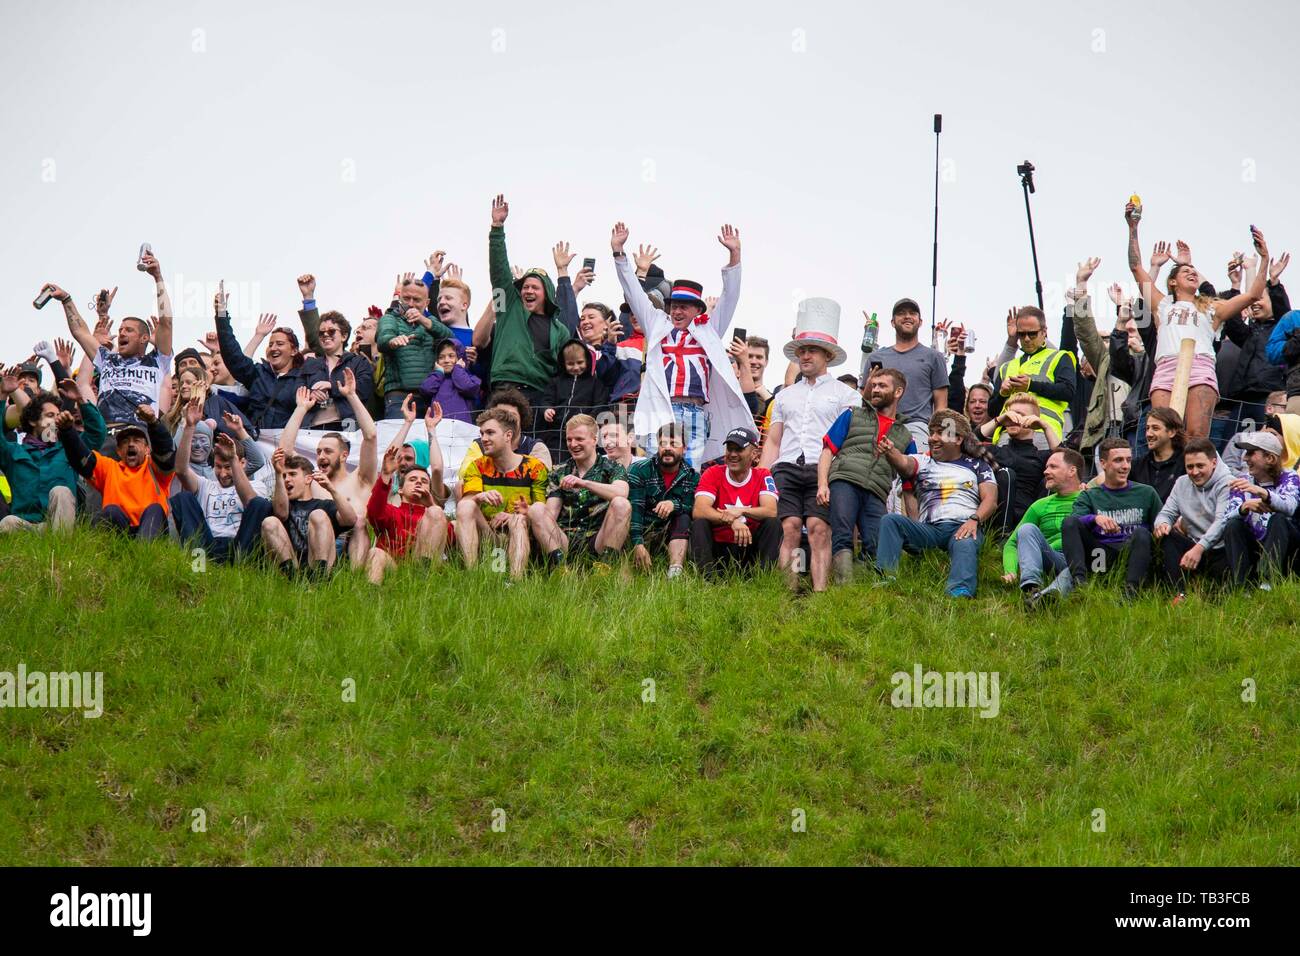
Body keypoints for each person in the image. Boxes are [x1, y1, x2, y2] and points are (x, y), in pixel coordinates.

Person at [613, 220, 753, 469]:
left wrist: (735, 256)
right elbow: (634, 293)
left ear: (697, 309)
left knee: (689, 473)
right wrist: (619, 255)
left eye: (683, 307)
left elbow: (730, 297)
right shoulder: (657, 323)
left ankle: (683, 510)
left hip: (696, 413)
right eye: (674, 306)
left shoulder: (708, 329)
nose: (677, 311)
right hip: (663, 409)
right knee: (659, 468)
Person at [1125, 202, 1270, 437]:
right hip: (1166, 368)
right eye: (1185, 271)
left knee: (1195, 435)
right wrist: (1133, 227)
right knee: (1165, 437)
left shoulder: (1213, 308)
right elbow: (1135, 267)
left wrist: (1264, 258)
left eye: (1194, 270)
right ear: (1172, 282)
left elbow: (1253, 294)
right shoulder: (1162, 304)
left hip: (1199, 366)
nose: (1192, 272)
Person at [758, 299, 861, 591]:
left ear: (827, 355)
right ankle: (788, 592)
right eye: (801, 350)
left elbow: (851, 439)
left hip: (823, 467)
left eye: (811, 350)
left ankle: (820, 592)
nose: (805, 356)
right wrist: (762, 476)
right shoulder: (785, 396)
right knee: (787, 528)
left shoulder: (846, 395)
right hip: (787, 467)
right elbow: (774, 440)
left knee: (818, 529)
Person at [873, 410, 998, 598]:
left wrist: (974, 520)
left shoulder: (978, 465)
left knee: (965, 543)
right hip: (929, 530)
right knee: (891, 521)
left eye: (940, 432)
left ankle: (959, 592)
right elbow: (905, 463)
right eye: (931, 432)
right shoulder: (923, 460)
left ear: (958, 439)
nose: (932, 438)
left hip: (963, 527)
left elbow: (991, 500)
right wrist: (891, 451)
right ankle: (886, 578)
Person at [45, 256, 174, 434]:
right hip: (108, 436)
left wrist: (158, 277)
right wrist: (66, 300)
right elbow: (80, 332)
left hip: (142, 434)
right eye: (121, 329)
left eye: (129, 330)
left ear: (144, 338)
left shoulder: (158, 360)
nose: (121, 333)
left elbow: (166, 322)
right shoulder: (107, 359)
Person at [818, 367, 917, 582]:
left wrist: (916, 523)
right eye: (874, 385)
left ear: (898, 392)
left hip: (877, 491)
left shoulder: (906, 436)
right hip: (844, 479)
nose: (875, 389)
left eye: (882, 386)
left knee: (876, 542)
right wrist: (822, 484)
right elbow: (827, 451)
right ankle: (845, 588)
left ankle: (862, 591)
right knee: (843, 534)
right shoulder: (853, 414)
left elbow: (910, 484)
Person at [1036, 438, 1162, 603]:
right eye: (1118, 460)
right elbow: (1074, 521)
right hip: (1100, 558)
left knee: (1141, 533)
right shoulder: (1090, 495)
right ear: (1103, 464)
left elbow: (1161, 524)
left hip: (1133, 556)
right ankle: (1080, 584)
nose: (1125, 466)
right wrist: (1095, 518)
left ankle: (1131, 593)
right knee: (1069, 522)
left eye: (1128, 460)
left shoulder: (1146, 493)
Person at [472, 196, 571, 404]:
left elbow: (563, 368)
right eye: (525, 287)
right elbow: (499, 269)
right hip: (505, 387)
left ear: (547, 294)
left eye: (535, 287)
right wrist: (497, 228)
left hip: (539, 394)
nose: (528, 290)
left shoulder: (559, 329)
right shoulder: (509, 308)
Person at [277, 368, 379, 568]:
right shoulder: (313, 480)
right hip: (320, 545)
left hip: (356, 546)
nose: (321, 456)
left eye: (327, 452)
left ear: (344, 456)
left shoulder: (361, 478)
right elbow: (285, 451)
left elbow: (371, 436)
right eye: (318, 452)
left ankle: (354, 581)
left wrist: (351, 396)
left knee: (358, 522)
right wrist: (301, 409)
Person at [0, 370, 106, 532]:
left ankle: (60, 552)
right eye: (50, 415)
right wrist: (2, 395)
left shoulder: (69, 449)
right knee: (8, 522)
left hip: (62, 526)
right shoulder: (13, 452)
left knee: (61, 491)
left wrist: (80, 400)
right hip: (29, 527)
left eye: (58, 415)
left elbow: (97, 434)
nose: (56, 420)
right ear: (33, 421)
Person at [171, 396, 274, 563]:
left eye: (228, 467)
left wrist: (232, 458)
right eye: (219, 467)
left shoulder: (256, 485)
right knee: (183, 498)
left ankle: (242, 566)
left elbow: (249, 500)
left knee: (259, 504)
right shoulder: (206, 485)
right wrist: (190, 426)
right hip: (206, 544)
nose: (223, 473)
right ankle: (198, 566)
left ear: (242, 463)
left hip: (239, 545)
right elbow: (181, 471)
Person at [57, 403, 176, 539]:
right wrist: (67, 432)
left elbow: (165, 452)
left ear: (147, 449)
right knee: (111, 511)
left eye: (137, 440)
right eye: (125, 442)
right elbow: (82, 459)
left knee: (155, 509)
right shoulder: (109, 468)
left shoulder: (156, 469)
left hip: (151, 532)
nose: (131, 444)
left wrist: (153, 423)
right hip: (120, 532)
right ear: (118, 451)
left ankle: (143, 554)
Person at [455, 407, 547, 579]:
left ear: (508, 435)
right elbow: (465, 505)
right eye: (482, 433)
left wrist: (514, 515)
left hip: (523, 534)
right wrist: (478, 496)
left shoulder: (534, 467)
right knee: (466, 504)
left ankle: (515, 581)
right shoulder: (477, 466)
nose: (484, 439)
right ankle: (472, 576)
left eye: (490, 433)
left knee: (518, 520)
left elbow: (541, 509)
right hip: (488, 534)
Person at [528, 414, 630, 565]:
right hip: (564, 540)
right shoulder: (559, 471)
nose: (573, 444)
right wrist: (530, 514)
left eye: (579, 439)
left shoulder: (613, 467)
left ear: (595, 440)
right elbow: (551, 513)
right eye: (569, 439)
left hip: (598, 539)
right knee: (537, 508)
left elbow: (621, 493)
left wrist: (584, 483)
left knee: (622, 504)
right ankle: (560, 569)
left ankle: (604, 568)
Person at [690, 426, 780, 577]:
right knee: (699, 523)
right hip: (719, 548)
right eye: (729, 449)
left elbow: (771, 510)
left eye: (738, 450)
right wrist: (732, 521)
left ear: (754, 454)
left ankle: (762, 579)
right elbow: (699, 510)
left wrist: (742, 511)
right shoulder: (712, 473)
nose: (732, 454)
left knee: (773, 523)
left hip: (750, 548)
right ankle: (707, 579)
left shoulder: (763, 475)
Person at [858, 299, 948, 451]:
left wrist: (940, 437)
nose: (907, 316)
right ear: (892, 322)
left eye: (912, 313)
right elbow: (864, 401)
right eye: (901, 313)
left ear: (920, 322)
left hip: (917, 427)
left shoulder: (934, 357)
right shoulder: (876, 358)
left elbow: (941, 405)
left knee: (912, 470)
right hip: (879, 426)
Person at [214, 286, 307, 431]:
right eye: (270, 344)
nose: (273, 348)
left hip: (289, 444)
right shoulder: (258, 374)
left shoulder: (304, 378)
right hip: (256, 442)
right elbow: (233, 356)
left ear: (294, 350)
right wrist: (221, 316)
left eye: (280, 344)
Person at [1153, 438, 1234, 601]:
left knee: (1217, 596)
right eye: (1190, 467)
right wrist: (1162, 524)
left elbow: (1221, 522)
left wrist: (1199, 548)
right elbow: (1166, 513)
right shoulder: (1182, 483)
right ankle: (1179, 593)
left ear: (1213, 462)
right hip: (1193, 548)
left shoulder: (1228, 484)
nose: (1195, 472)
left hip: (1221, 549)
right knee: (1168, 536)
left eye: (1200, 466)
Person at [1002, 448, 1085, 602]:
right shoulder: (1040, 505)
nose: (1046, 471)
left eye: (1053, 467)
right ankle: (1031, 586)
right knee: (1027, 529)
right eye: (1046, 467)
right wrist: (1011, 571)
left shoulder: (1090, 498)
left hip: (1082, 559)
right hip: (1054, 558)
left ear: (1072, 471)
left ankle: (1045, 598)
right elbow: (1012, 543)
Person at [261, 449, 358, 578]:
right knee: (269, 522)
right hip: (293, 566)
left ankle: (319, 578)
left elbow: (351, 520)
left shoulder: (324, 505)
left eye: (292, 474)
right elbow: (280, 513)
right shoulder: (284, 505)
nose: (286, 479)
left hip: (320, 564)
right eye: (284, 476)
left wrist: (332, 490)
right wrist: (278, 473)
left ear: (308, 479)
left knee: (318, 515)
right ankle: (291, 579)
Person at [293, 276, 375, 429]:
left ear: (344, 336)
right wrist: (311, 394)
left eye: (331, 331)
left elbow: (363, 390)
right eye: (321, 333)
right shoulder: (310, 364)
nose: (325, 335)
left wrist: (331, 386)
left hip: (348, 427)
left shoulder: (358, 362)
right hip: (310, 431)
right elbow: (296, 391)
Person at [988, 306, 1077, 444]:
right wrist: (1002, 394)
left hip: (1042, 433)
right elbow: (992, 410)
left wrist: (1031, 385)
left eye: (1032, 334)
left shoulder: (1059, 357)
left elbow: (1068, 392)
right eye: (1021, 334)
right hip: (1007, 437)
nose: (1027, 339)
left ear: (1044, 332)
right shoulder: (1007, 367)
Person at [1222, 430, 1300, 587]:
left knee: (1279, 519)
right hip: (1256, 547)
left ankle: (1267, 581)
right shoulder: (1243, 481)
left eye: (1251, 453)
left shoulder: (1290, 477)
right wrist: (1243, 508)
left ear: (1270, 458)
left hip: (1289, 552)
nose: (1245, 458)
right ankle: (1241, 586)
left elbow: (1290, 507)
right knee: (1233, 525)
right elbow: (1224, 520)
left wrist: (1263, 493)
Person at [364, 444, 450, 585]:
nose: (418, 482)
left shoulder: (436, 515)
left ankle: (421, 578)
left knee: (436, 511)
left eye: (424, 481)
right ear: (401, 490)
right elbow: (374, 512)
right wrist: (385, 475)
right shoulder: (391, 511)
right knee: (375, 552)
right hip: (394, 567)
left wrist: (431, 505)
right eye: (412, 479)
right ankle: (371, 598)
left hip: (425, 571)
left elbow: (449, 540)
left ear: (429, 489)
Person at [376, 272, 459, 418]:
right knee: (400, 440)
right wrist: (392, 341)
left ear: (427, 303)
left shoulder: (431, 322)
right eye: (406, 298)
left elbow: (452, 340)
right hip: (399, 397)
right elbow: (383, 339)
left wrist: (423, 320)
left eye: (417, 300)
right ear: (399, 297)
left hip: (430, 396)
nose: (411, 304)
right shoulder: (390, 318)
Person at [629, 423, 699, 578]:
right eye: (663, 444)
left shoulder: (692, 476)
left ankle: (675, 571)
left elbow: (691, 507)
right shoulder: (639, 470)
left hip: (671, 535)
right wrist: (637, 544)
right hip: (642, 531)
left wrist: (673, 504)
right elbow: (635, 510)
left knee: (684, 516)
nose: (667, 448)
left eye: (674, 444)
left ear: (685, 448)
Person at [980, 393, 1056, 528]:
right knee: (1007, 474)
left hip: (1028, 523)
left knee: (1055, 477)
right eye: (1009, 414)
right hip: (998, 523)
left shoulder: (1042, 457)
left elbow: (1069, 461)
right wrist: (999, 420)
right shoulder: (996, 452)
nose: (1012, 418)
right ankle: (1001, 537)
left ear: (1033, 420)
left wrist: (1046, 427)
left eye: (1019, 414)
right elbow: (965, 443)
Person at [536, 339, 612, 462]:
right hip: (558, 434)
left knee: (583, 460)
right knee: (558, 462)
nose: (576, 367)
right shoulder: (556, 382)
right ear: (563, 363)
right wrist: (546, 409)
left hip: (584, 434)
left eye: (580, 362)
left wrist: (589, 420)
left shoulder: (595, 383)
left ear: (587, 360)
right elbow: (546, 399)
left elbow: (601, 405)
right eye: (570, 364)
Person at [1129, 407, 1186, 502]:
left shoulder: (1186, 463)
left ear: (1171, 432)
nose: (1148, 434)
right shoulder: (1137, 465)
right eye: (1147, 428)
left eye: (1155, 428)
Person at [420, 338, 481, 424]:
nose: (446, 360)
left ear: (461, 358)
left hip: (462, 428)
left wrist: (458, 369)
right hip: (437, 426)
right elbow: (426, 390)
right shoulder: (436, 378)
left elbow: (467, 387)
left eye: (451, 356)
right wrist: (438, 372)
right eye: (441, 357)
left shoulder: (470, 378)